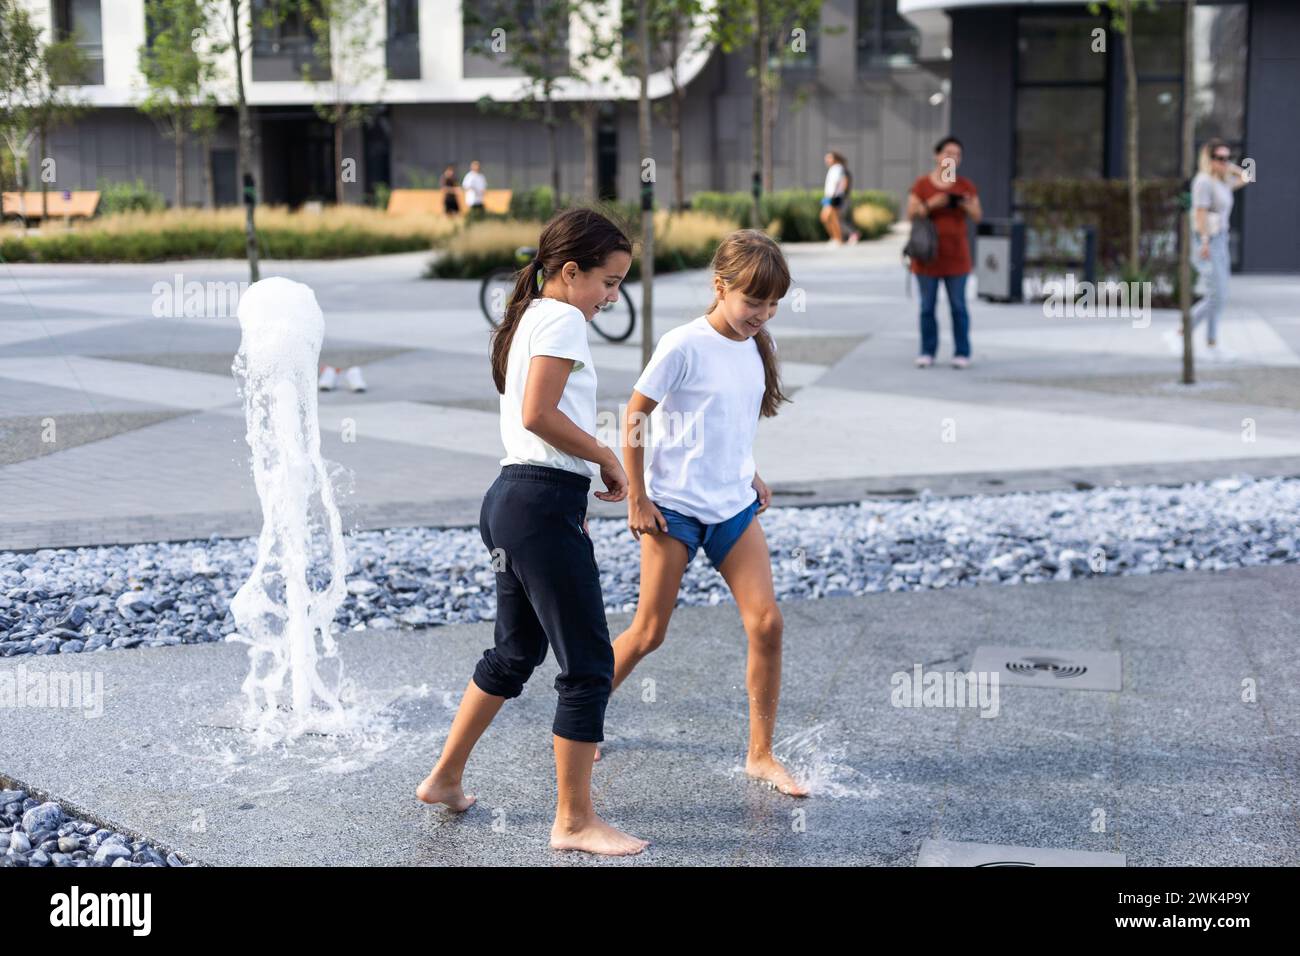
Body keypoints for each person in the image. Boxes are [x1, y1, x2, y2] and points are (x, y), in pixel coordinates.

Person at [415, 207, 649, 857]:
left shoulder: (528, 317)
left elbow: (533, 414)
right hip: (541, 505)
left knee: (516, 652)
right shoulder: (563, 318)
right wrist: (605, 454)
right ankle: (574, 822)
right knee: (589, 664)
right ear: (570, 272)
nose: (613, 296)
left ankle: (445, 776)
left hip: (508, 501)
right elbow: (539, 413)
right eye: (608, 281)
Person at [604, 228, 809, 797]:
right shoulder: (683, 344)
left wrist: (750, 472)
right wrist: (639, 496)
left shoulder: (753, 345)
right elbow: (636, 415)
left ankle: (761, 755)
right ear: (721, 287)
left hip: (733, 508)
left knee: (767, 624)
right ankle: (582, 715)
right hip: (674, 510)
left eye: (772, 304)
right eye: (753, 301)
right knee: (649, 632)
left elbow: (732, 421)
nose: (763, 314)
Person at [906, 135, 982, 368]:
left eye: (957, 154)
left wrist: (963, 203)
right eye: (948, 153)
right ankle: (927, 351)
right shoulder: (922, 184)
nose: (952, 158)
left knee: (958, 306)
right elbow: (911, 214)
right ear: (937, 155)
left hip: (957, 258)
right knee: (927, 307)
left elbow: (977, 216)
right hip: (927, 258)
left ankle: (962, 352)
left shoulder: (965, 186)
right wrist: (934, 203)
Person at [1186, 137, 1252, 355]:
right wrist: (1204, 242)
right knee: (1217, 294)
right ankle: (1186, 328)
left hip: (1221, 240)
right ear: (1208, 158)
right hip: (1208, 240)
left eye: (1227, 157)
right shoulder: (1203, 182)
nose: (1224, 162)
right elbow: (1200, 214)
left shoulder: (1222, 181)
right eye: (1219, 158)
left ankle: (1211, 339)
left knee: (1220, 293)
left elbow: (1248, 176)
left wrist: (1229, 166)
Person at [819, 152, 848, 245]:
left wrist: (833, 197)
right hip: (829, 196)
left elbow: (837, 183)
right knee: (826, 218)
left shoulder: (838, 168)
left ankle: (838, 239)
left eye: (829, 158)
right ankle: (835, 238)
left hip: (833, 196)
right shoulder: (833, 168)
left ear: (835, 158)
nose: (827, 160)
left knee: (832, 218)